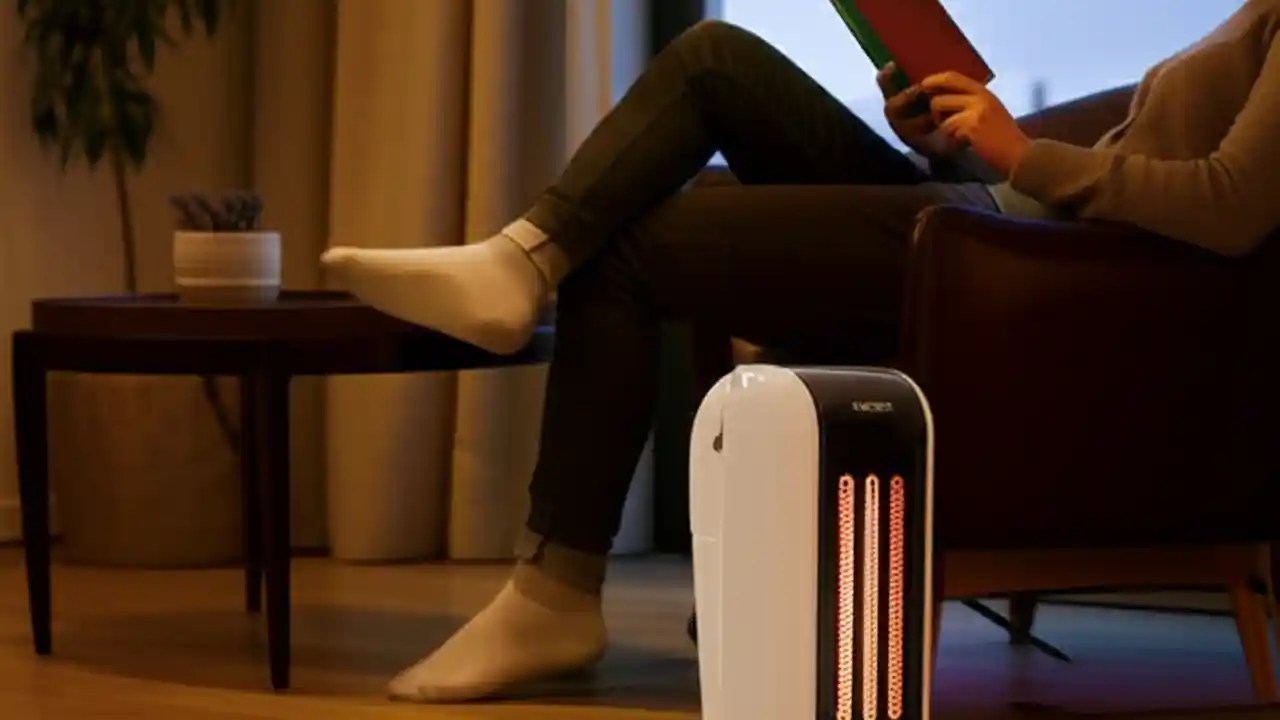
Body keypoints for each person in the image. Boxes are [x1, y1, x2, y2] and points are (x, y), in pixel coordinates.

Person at [322, 0, 1280, 704]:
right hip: (993, 241)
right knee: (715, 61)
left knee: (633, 246)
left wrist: (1019, 157)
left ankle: (555, 586)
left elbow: (1231, 209)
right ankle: (523, 258)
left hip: (1027, 278)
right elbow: (1095, 174)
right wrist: (951, 142)